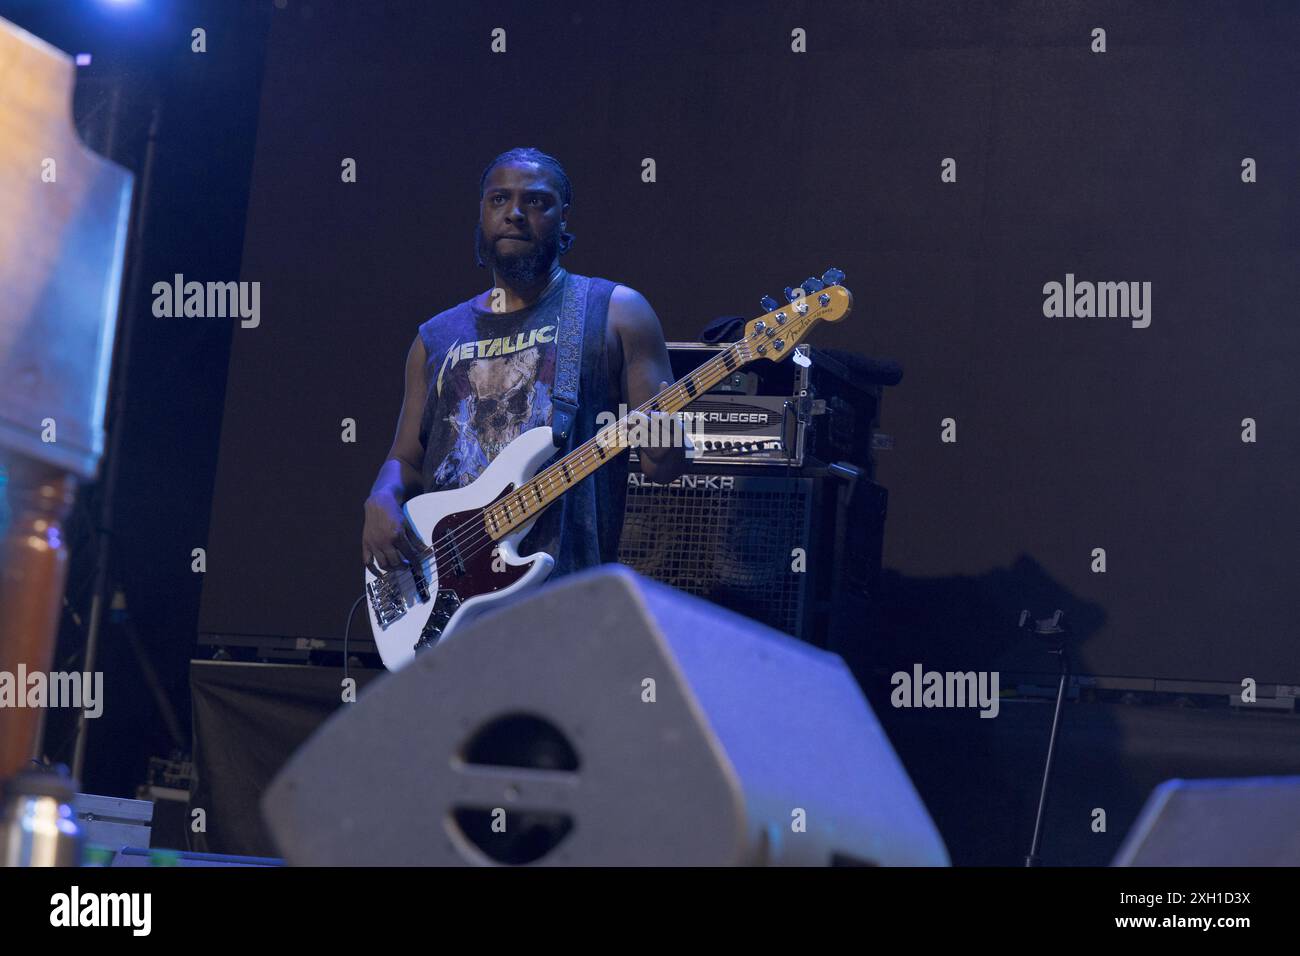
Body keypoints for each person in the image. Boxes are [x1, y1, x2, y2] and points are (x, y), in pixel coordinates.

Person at [361, 147, 687, 579]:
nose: (514, 213)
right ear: (481, 213)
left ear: (563, 218)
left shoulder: (617, 313)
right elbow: (405, 460)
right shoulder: (434, 338)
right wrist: (381, 495)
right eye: (499, 199)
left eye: (535, 201)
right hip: (446, 589)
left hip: (567, 594)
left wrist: (666, 441)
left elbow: (662, 466)